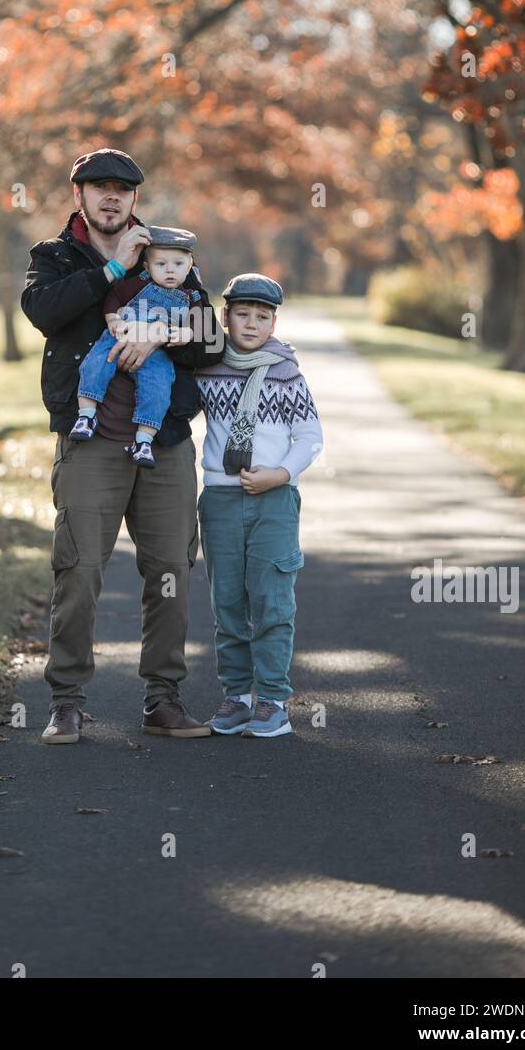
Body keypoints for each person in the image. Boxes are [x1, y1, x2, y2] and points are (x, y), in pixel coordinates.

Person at [21, 149, 225, 744]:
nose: (111, 197)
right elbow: (44, 311)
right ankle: (66, 702)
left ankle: (163, 700)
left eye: (122, 189)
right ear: (78, 194)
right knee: (79, 569)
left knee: (170, 571)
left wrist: (160, 331)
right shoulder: (54, 256)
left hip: (161, 441)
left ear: (135, 198)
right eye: (99, 187)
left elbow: (210, 341)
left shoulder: (171, 256)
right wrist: (112, 273)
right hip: (90, 440)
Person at [195, 275, 323, 738]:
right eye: (242, 314)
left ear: (274, 322)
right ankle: (237, 695)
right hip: (221, 498)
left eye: (262, 317)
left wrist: (280, 474)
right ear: (225, 316)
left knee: (271, 600)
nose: (251, 324)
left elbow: (310, 437)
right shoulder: (206, 368)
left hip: (274, 499)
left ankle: (271, 700)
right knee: (227, 600)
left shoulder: (286, 372)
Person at [70, 226, 199, 468]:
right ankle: (86, 415)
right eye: (161, 264)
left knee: (158, 387)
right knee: (98, 362)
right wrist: (113, 319)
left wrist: (186, 332)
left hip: (158, 350)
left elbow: (198, 324)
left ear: (189, 266)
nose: (170, 270)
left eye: (178, 264)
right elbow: (114, 297)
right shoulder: (137, 284)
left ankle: (144, 440)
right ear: (147, 268)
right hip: (123, 331)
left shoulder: (191, 296)